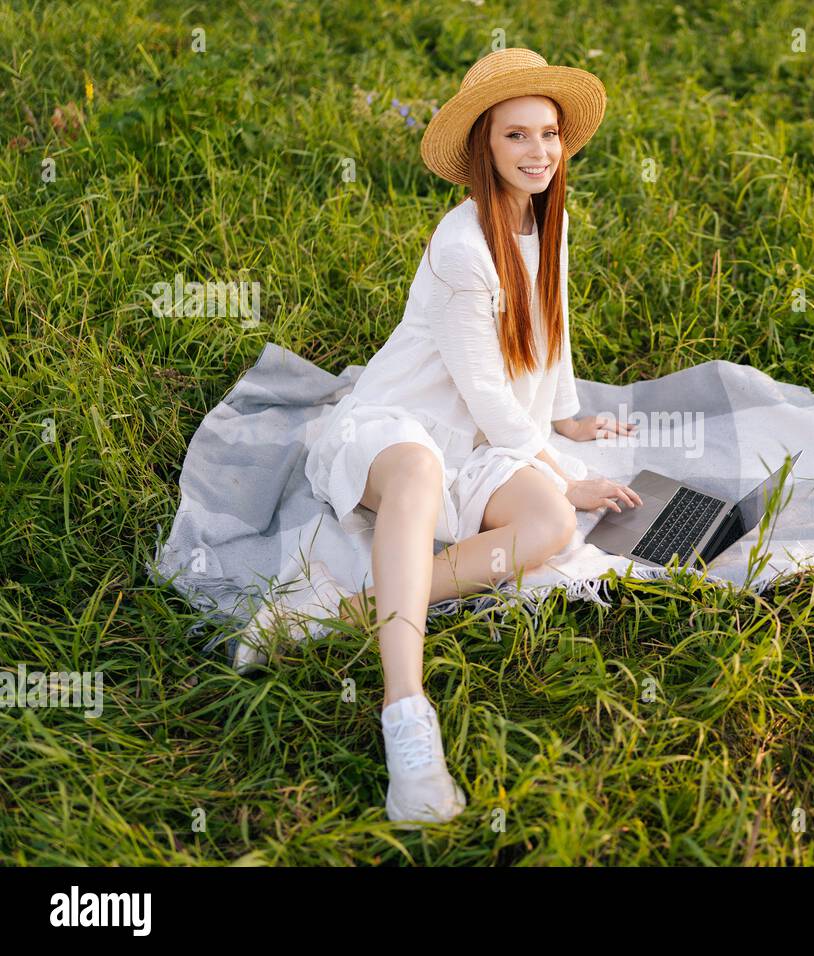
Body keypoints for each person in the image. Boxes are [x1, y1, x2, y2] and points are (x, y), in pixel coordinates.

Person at [235, 48, 643, 827]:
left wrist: (563, 417)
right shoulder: (462, 246)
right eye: (516, 136)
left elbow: (549, 334)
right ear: (484, 149)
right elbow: (484, 389)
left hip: (478, 442)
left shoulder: (545, 220)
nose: (539, 153)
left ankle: (345, 610)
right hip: (401, 426)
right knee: (426, 477)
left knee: (551, 528)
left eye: (548, 134)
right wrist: (561, 470)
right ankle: (406, 712)